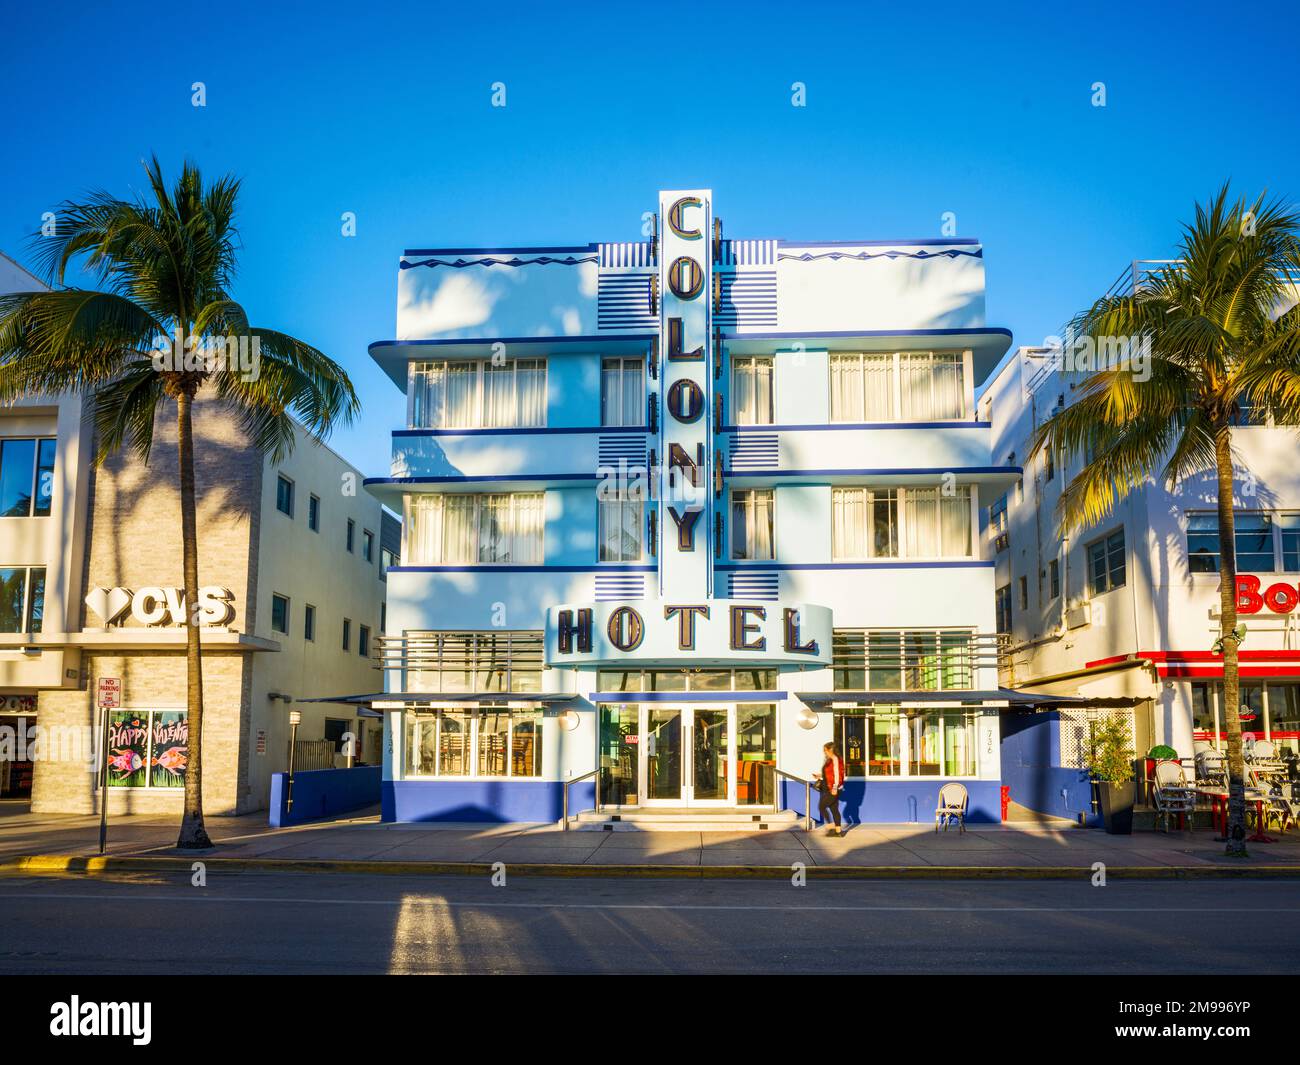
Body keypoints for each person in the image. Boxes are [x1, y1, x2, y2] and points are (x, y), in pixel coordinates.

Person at [815, 741, 845, 836]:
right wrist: (820, 776)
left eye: (825, 750)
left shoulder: (835, 759)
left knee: (821, 806)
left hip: (832, 789)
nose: (824, 752)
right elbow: (830, 774)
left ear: (831, 750)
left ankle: (831, 827)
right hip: (829, 787)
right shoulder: (830, 760)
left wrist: (835, 787)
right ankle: (838, 832)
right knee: (834, 809)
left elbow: (838, 775)